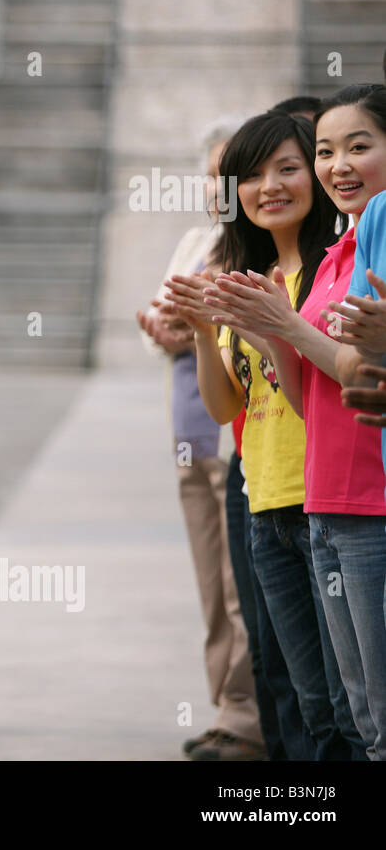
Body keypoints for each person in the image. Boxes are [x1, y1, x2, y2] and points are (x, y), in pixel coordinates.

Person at [165, 110, 364, 760]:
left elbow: (327, 409)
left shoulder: (333, 273)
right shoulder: (249, 278)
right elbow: (227, 409)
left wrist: (275, 335)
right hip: (265, 505)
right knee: (305, 702)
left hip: (324, 507)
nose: (268, 186)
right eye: (250, 175)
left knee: (348, 706)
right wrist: (202, 328)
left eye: (287, 168)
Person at [135, 116, 267, 761]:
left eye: (233, 175)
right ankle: (226, 706)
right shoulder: (197, 240)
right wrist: (164, 331)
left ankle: (244, 718)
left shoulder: (260, 248)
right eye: (215, 175)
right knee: (212, 587)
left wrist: (198, 330)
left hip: (238, 438)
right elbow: (160, 322)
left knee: (241, 585)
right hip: (191, 435)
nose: (223, 187)